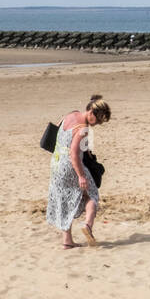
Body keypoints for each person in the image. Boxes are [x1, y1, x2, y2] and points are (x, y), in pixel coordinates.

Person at [46, 95, 112, 249]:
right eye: (99, 120)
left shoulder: (71, 115)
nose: (97, 124)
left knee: (64, 199)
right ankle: (88, 225)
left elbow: (57, 132)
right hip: (71, 165)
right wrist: (81, 175)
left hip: (56, 163)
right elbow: (74, 154)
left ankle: (67, 241)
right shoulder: (83, 129)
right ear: (91, 113)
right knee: (92, 194)